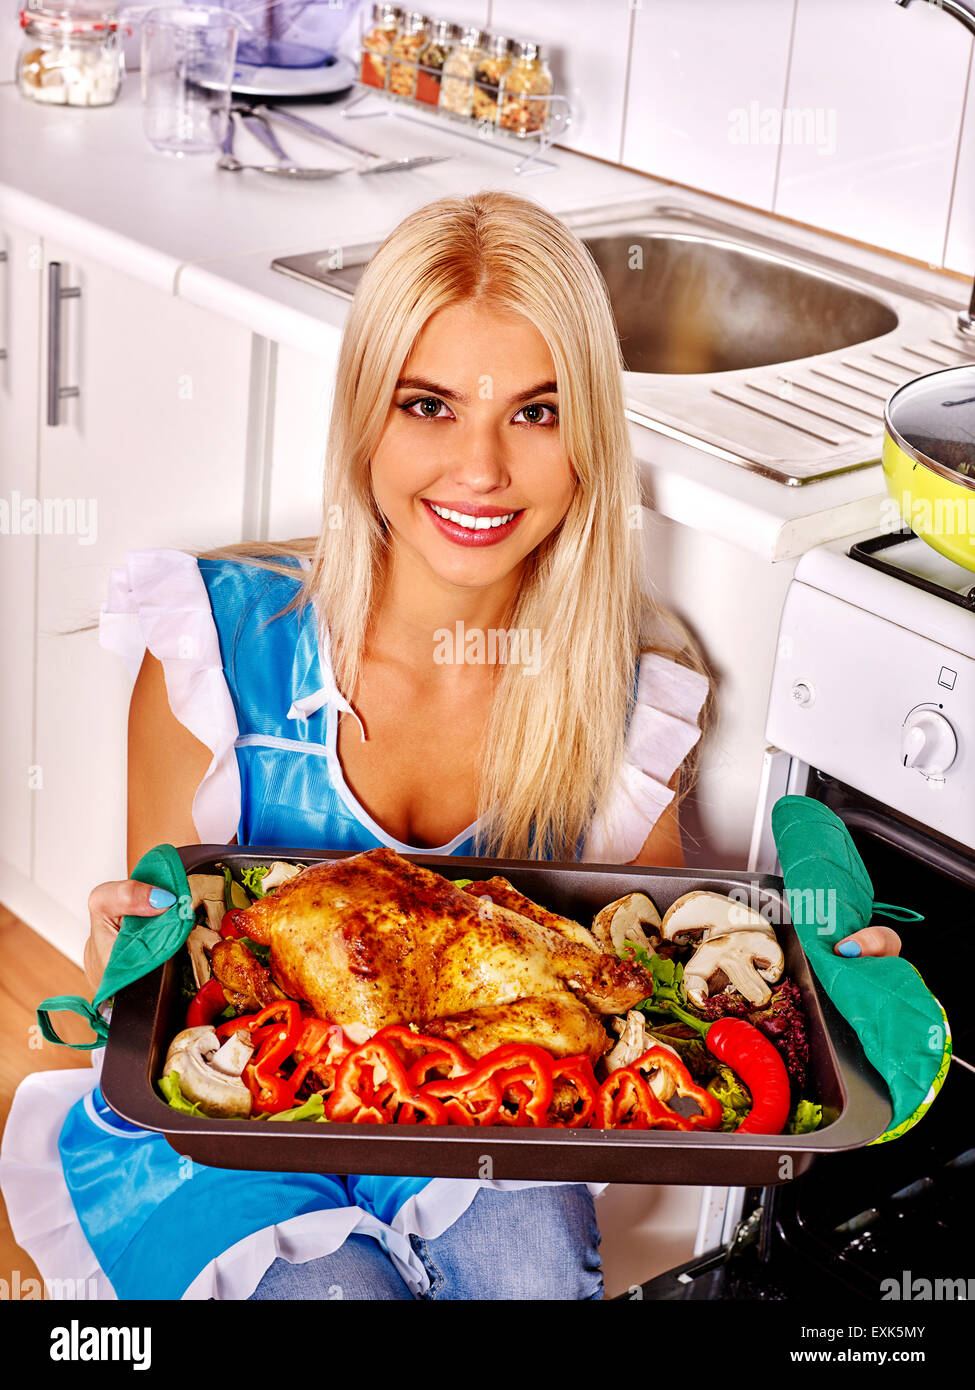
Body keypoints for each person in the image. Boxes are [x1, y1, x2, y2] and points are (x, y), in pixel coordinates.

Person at [1, 190, 901, 1302]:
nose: (480, 469)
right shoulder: (217, 655)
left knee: (529, 1272)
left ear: (589, 443)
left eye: (536, 412)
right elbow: (158, 985)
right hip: (235, 1118)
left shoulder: (616, 707)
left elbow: (657, 984)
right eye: (430, 404)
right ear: (364, 417)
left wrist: (817, 978)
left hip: (477, 1099)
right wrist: (116, 958)